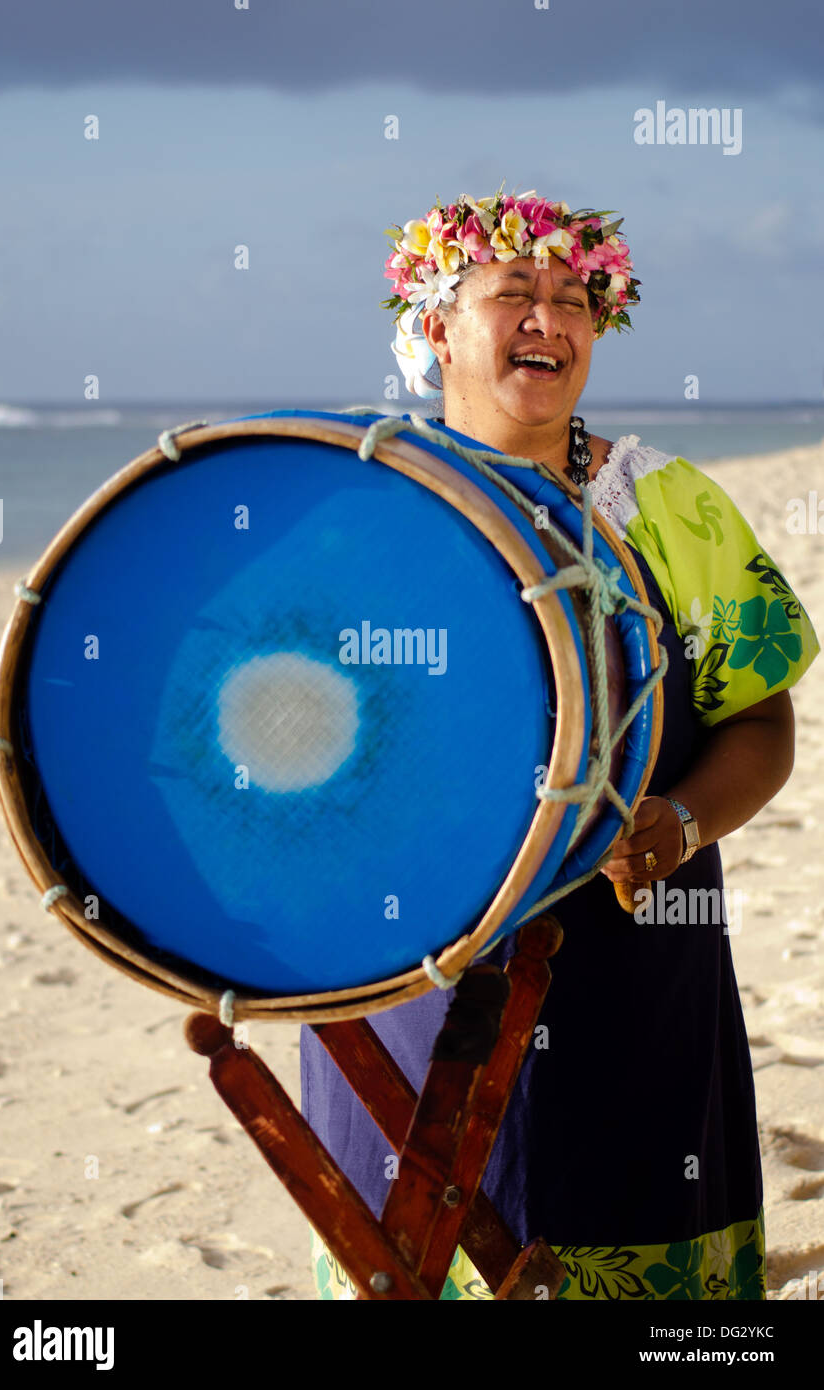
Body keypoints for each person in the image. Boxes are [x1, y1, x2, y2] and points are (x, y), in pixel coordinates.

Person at [300, 186, 820, 1300]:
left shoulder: (666, 507)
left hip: (631, 962)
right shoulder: (359, 497)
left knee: (621, 1217)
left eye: (575, 298)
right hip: (402, 964)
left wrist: (679, 821)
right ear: (435, 328)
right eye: (513, 294)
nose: (550, 318)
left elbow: (765, 719)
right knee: (408, 1244)